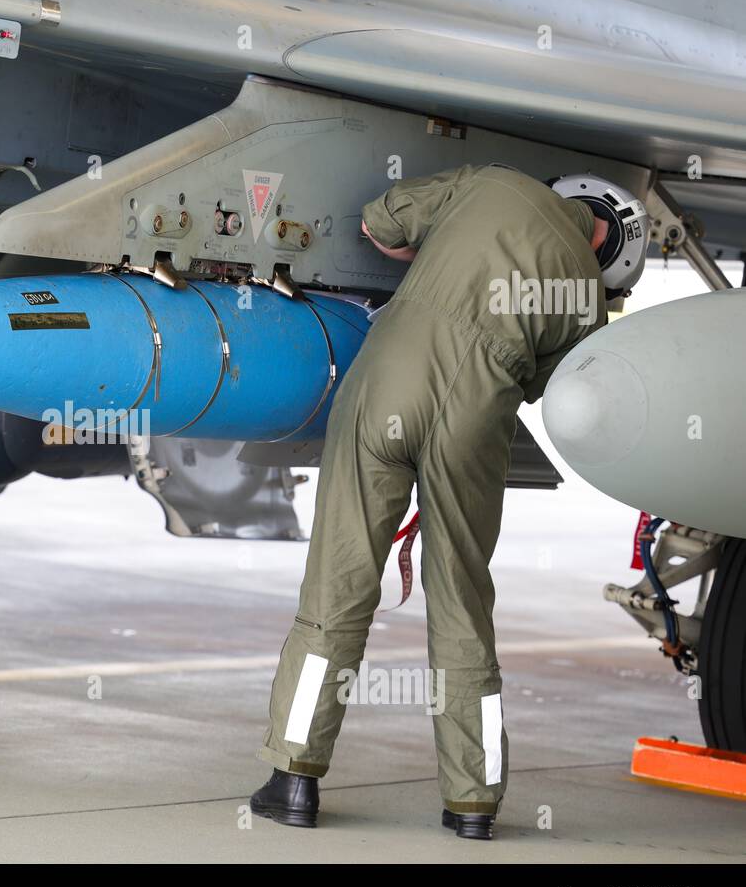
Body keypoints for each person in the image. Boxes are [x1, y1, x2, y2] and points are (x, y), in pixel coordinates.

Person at [248, 164, 649, 839]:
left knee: (339, 583)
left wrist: (432, 259)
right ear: (609, 250)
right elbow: (549, 391)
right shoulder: (586, 301)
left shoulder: (491, 182)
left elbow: (381, 222)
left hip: (389, 385)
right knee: (464, 604)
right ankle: (473, 801)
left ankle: (294, 778)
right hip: (475, 421)